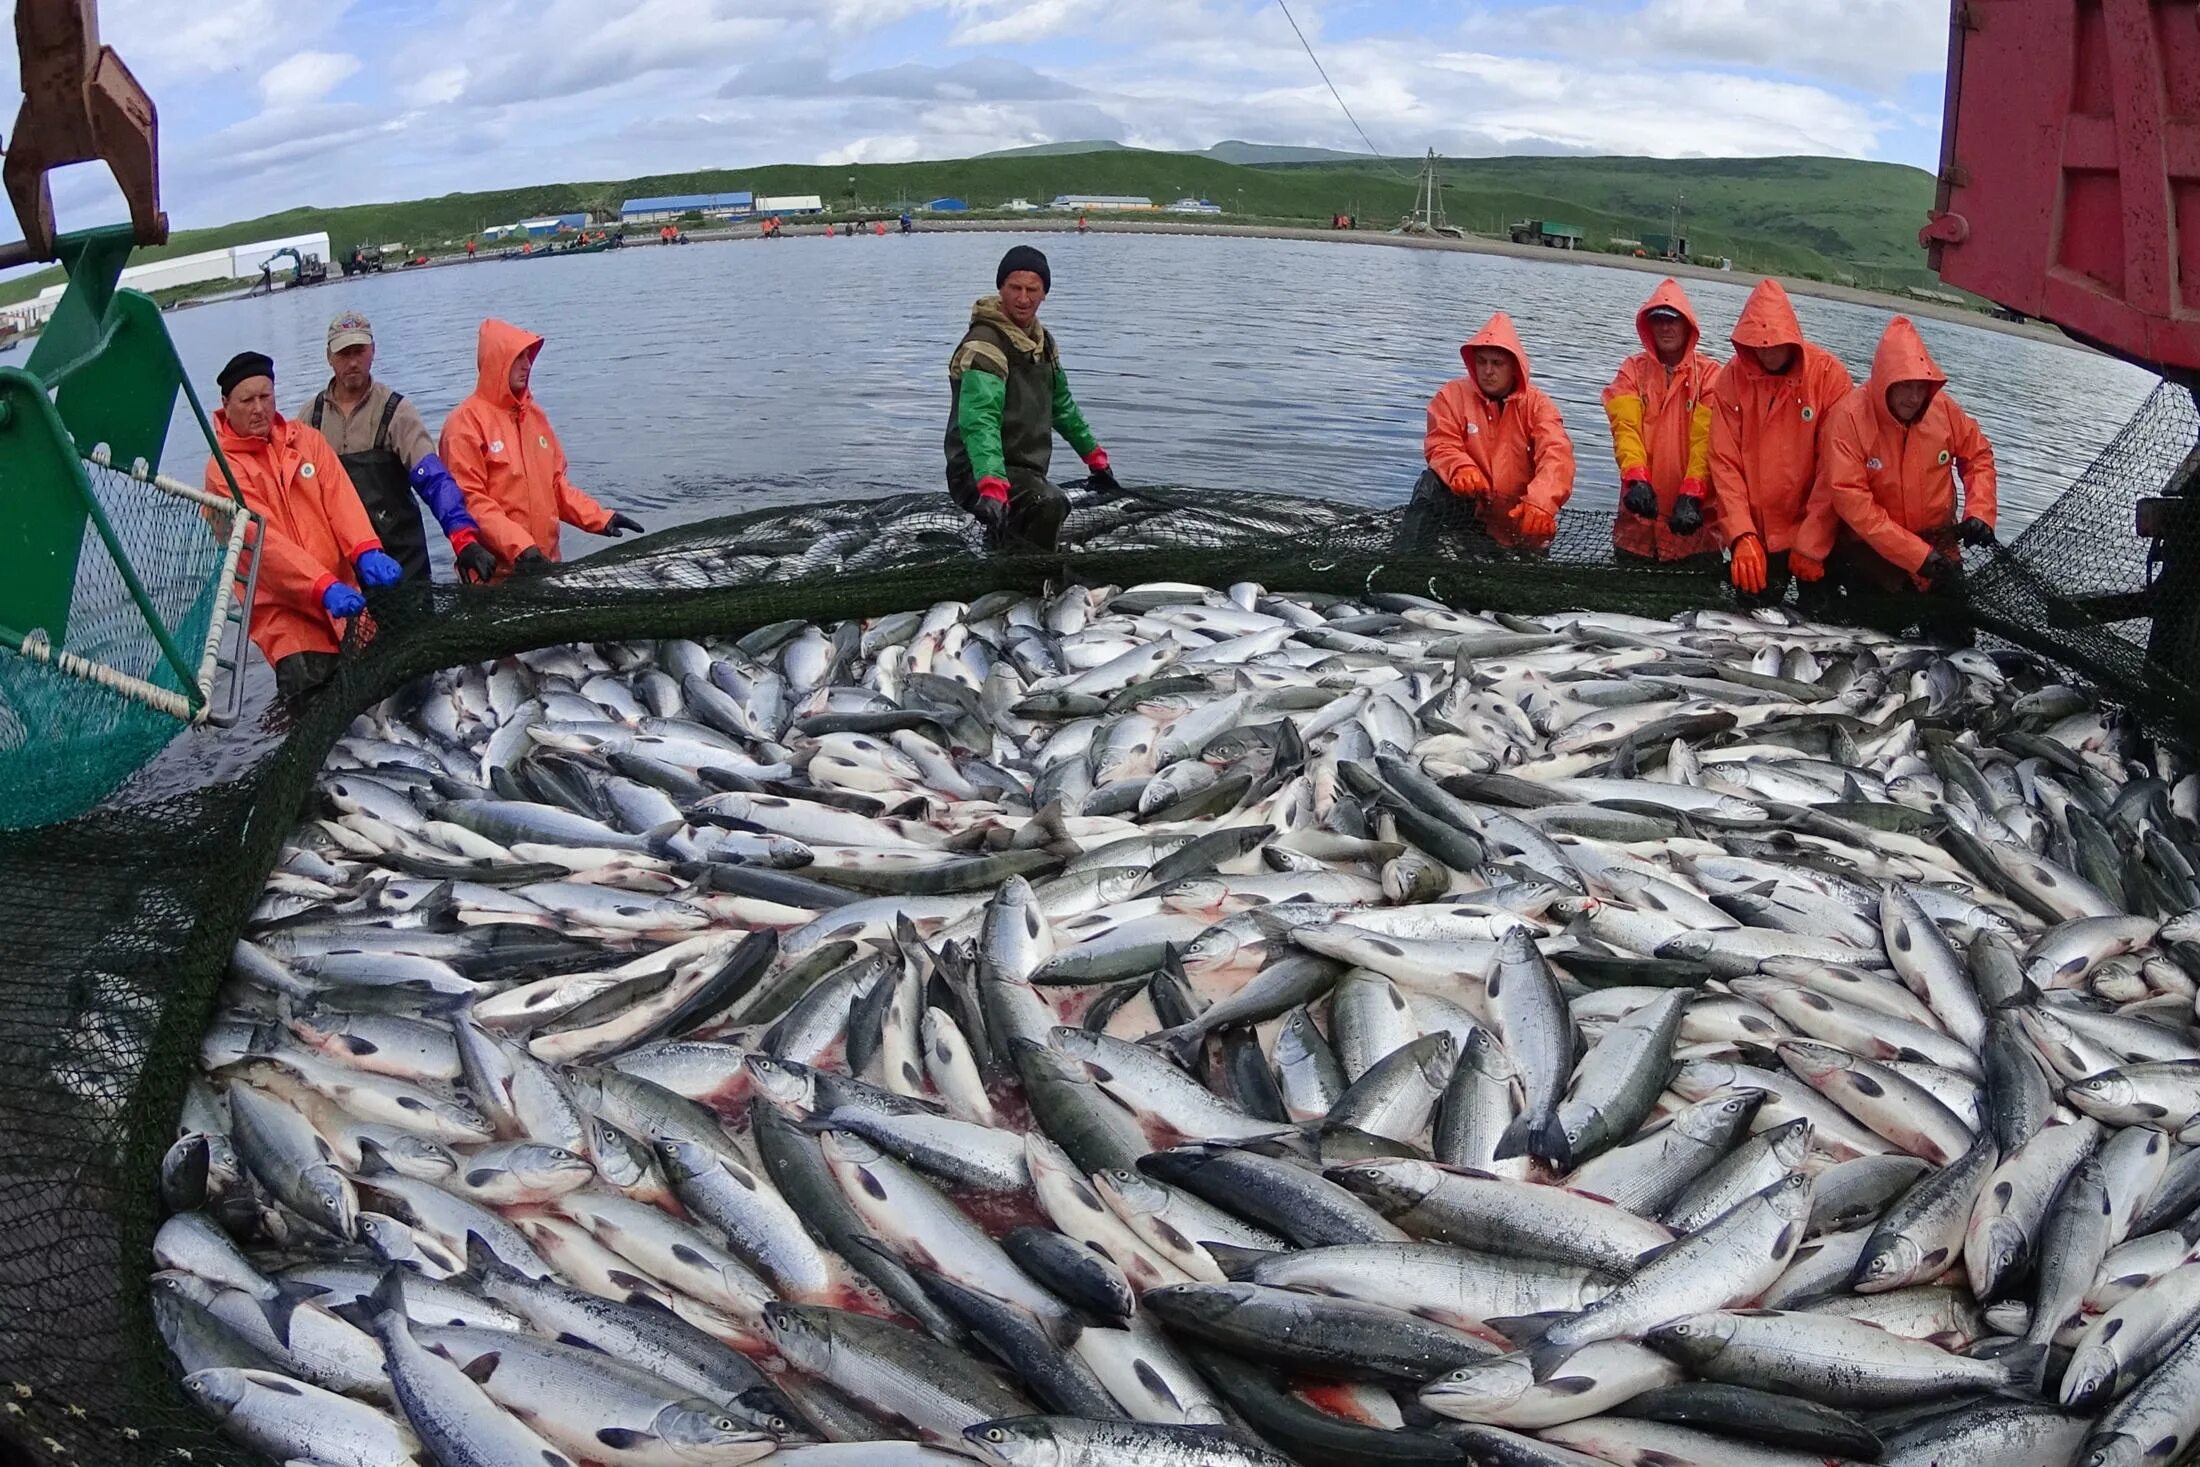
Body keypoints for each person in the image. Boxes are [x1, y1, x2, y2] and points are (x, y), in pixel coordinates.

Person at [203, 351, 402, 700]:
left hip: (346, 598)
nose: (258, 408)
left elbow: (342, 502)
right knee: (315, 711)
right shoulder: (222, 472)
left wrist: (366, 549)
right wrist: (321, 586)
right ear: (225, 404)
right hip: (286, 619)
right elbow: (264, 547)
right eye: (247, 399)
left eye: (266, 396)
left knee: (382, 699)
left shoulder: (306, 440)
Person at [1801, 315, 1997, 640]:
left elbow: (1978, 456)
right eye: (1904, 385)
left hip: (1940, 551)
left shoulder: (1944, 411)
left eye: (1921, 386)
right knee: (1874, 643)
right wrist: (1915, 556)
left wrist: (1980, 512)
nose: (1913, 396)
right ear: (1884, 382)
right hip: (1873, 558)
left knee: (1957, 643)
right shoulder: (1847, 419)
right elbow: (1854, 505)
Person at [298, 311, 495, 586]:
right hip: (340, 570)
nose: (353, 362)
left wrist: (463, 537)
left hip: (402, 562)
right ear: (328, 357)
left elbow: (434, 479)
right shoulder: (309, 419)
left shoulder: (397, 412)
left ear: (373, 351)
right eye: (344, 354)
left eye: (359, 351)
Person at [945, 244, 1119, 551]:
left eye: (1032, 289)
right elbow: (980, 420)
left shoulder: (1044, 344)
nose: (1023, 298)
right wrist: (991, 485)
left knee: (1038, 507)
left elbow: (1062, 406)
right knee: (1050, 503)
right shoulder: (985, 345)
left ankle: (1005, 553)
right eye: (1014, 288)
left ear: (1044, 294)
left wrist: (1095, 459)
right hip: (976, 472)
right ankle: (1027, 581)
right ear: (1001, 288)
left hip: (1022, 471)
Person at [439, 319, 644, 576]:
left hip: (544, 566)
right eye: (517, 357)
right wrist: (521, 547)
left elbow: (557, 486)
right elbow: (470, 501)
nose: (527, 365)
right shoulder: (464, 424)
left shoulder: (535, 418)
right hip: (494, 577)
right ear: (497, 362)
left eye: (528, 356)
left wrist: (601, 518)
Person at [1706, 277, 1854, 603]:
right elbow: (1724, 462)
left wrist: (1812, 542)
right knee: (1747, 617)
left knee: (1824, 619)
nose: (1766, 350)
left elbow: (1838, 469)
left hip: (1818, 536)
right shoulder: (1731, 378)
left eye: (1774, 341)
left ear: (1791, 335)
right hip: (1757, 536)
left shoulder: (1831, 378)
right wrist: (1740, 534)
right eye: (1757, 342)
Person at [1408, 311, 1575, 551]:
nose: (1488, 371)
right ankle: (1412, 560)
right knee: (1430, 482)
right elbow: (1441, 443)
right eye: (1482, 361)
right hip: (1466, 518)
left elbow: (1557, 455)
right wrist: (1460, 466)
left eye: (1497, 363)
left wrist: (1541, 503)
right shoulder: (1451, 395)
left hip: (1521, 526)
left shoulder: (1538, 405)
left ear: (1514, 366)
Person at [1602, 279, 1721, 566]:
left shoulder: (1711, 376)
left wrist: (1693, 493)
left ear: (1687, 325)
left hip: (1694, 532)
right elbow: (1625, 428)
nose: (1666, 327)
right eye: (1658, 320)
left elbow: (1706, 442)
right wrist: (1636, 478)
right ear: (1649, 326)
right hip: (1636, 530)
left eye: (1673, 320)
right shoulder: (1632, 370)